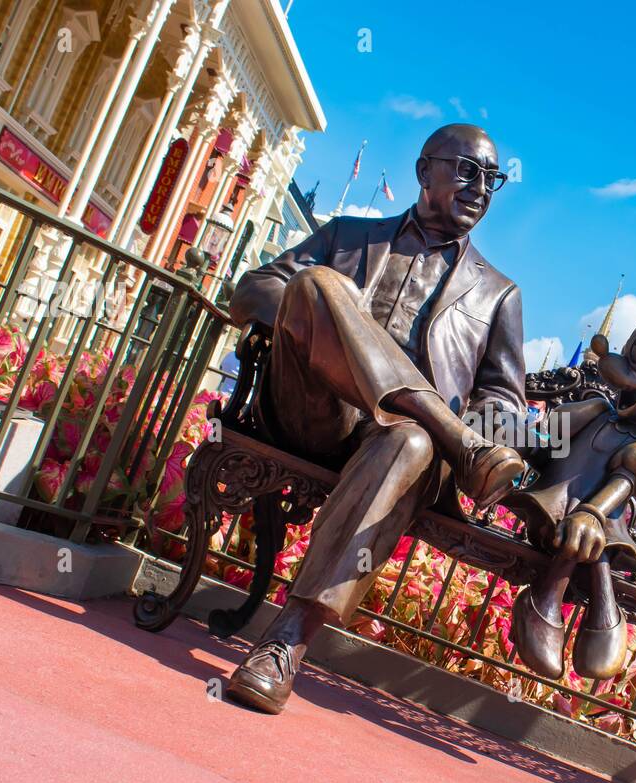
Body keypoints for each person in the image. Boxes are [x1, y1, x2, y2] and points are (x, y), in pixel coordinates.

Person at [223, 124, 526, 715]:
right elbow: (252, 288)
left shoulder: (499, 294)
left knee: (411, 441)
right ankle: (450, 435)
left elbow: (505, 400)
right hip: (314, 414)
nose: (481, 188)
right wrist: (328, 310)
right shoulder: (347, 235)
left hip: (397, 452)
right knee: (315, 282)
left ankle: (286, 641)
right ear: (423, 170)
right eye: (468, 171)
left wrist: (486, 424)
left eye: (494, 180)